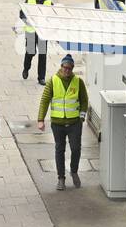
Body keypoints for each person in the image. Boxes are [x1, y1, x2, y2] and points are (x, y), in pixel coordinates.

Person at [37, 55, 88, 191]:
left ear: (72, 68)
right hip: (57, 123)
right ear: (61, 67)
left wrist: (82, 117)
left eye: (70, 68)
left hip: (74, 123)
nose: (67, 70)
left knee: (76, 148)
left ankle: (74, 171)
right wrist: (40, 120)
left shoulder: (78, 82)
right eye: (65, 67)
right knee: (60, 149)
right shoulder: (53, 81)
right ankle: (61, 178)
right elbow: (45, 100)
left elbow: (84, 100)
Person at [20, 0, 53, 84]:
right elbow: (21, 14)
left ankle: (41, 78)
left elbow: (53, 16)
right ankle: (26, 68)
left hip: (43, 32)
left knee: (42, 55)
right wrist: (28, 22)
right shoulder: (29, 1)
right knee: (31, 52)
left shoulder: (49, 3)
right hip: (31, 31)